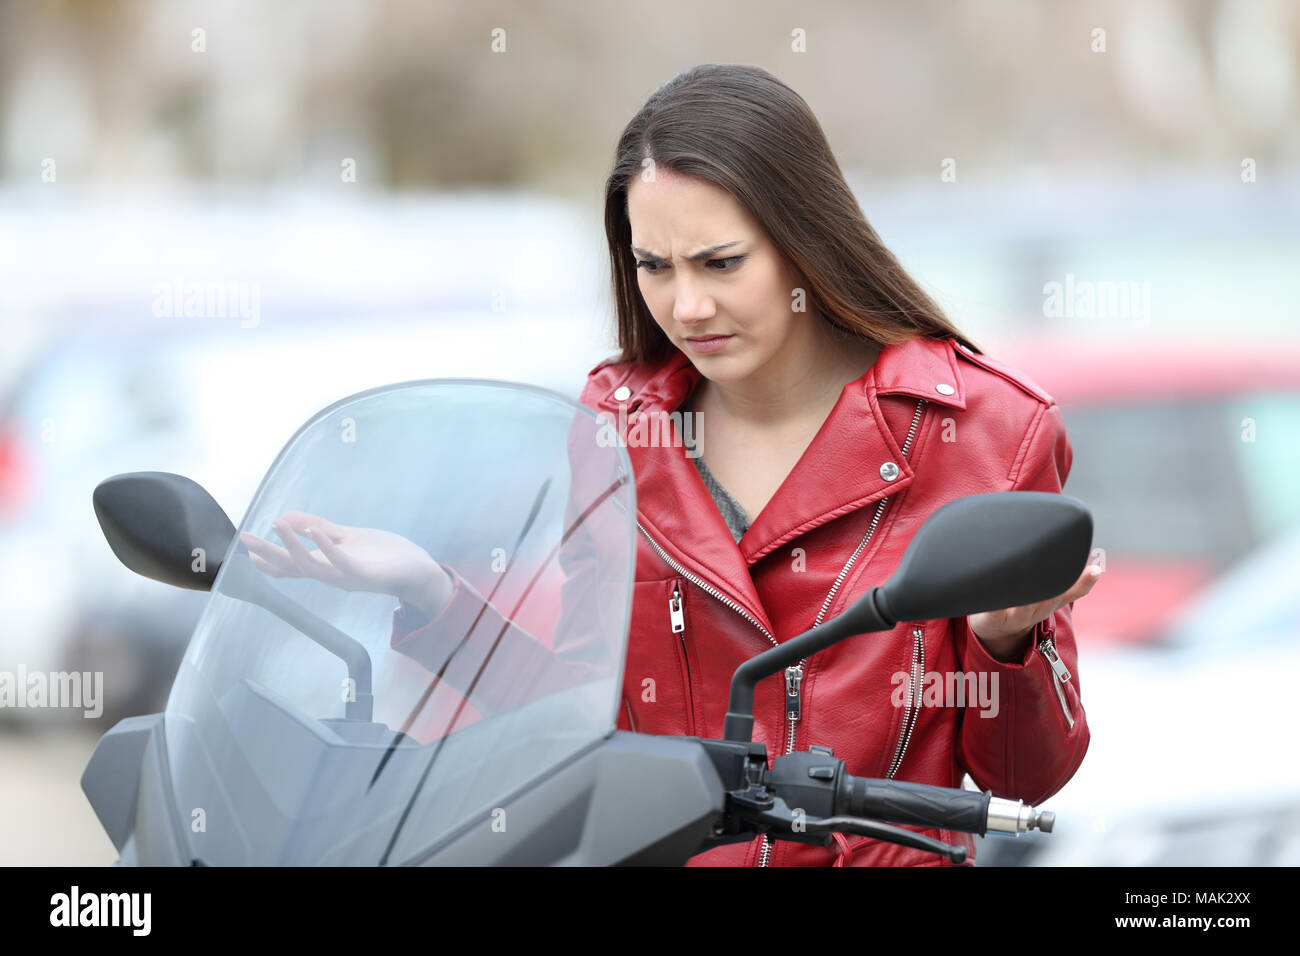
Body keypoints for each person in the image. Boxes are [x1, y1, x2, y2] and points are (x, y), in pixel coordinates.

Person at [243, 63, 1101, 866]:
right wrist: (430, 593)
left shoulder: (986, 428)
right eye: (655, 266)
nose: (688, 305)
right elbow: (587, 714)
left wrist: (1003, 641)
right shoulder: (617, 424)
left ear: (806, 240)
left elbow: (1030, 777)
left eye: (721, 263)